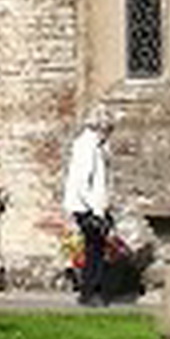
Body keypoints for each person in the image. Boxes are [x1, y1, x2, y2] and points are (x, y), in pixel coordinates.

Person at [62, 103, 115, 305]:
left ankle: (91, 292)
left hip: (90, 206)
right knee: (94, 250)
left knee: (95, 249)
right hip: (86, 207)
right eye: (108, 129)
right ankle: (90, 293)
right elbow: (83, 182)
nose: (109, 134)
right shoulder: (87, 146)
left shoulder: (95, 146)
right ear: (101, 126)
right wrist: (95, 212)